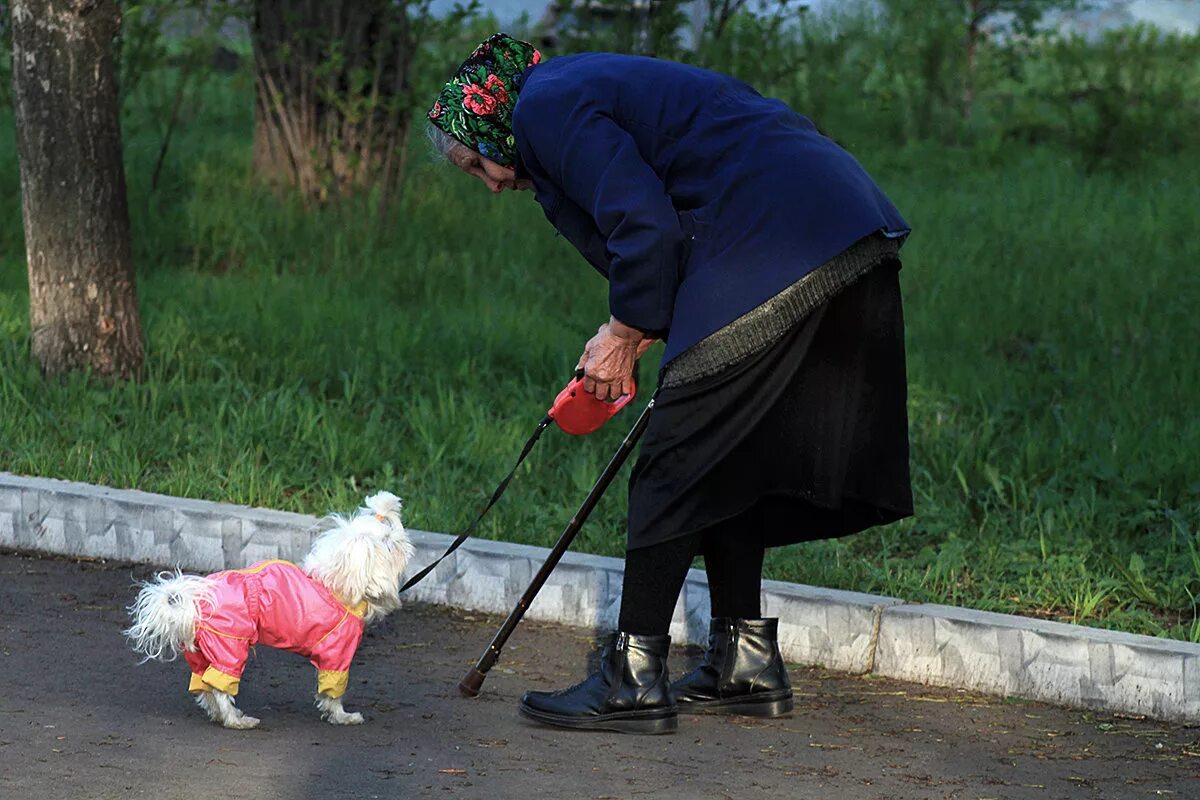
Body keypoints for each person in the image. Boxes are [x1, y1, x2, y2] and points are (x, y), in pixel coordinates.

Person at [427, 34, 913, 735]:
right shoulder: (572, 91)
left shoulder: (545, 106)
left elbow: (644, 225)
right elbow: (667, 219)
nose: (492, 184)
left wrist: (624, 332)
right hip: (835, 226)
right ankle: (744, 663)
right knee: (728, 456)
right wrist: (640, 324)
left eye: (477, 164)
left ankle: (632, 681)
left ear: (490, 119)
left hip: (776, 238)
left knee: (675, 461)